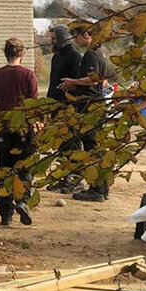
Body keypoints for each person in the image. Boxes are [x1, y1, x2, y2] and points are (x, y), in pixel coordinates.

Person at [0, 38, 38, 226]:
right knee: (24, 168)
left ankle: (5, 214)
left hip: (4, 130)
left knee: (4, 171)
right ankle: (22, 201)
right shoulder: (28, 75)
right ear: (22, 53)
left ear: (5, 53)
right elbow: (33, 104)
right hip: (24, 130)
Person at [59, 25, 113, 202]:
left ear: (86, 35)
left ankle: (96, 189)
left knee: (92, 147)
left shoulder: (91, 54)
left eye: (76, 37)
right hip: (96, 104)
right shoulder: (101, 51)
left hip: (90, 107)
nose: (75, 41)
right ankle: (102, 188)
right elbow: (103, 80)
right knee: (97, 147)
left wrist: (72, 82)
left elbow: (93, 78)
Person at [45, 24, 84, 194]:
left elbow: (77, 85)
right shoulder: (56, 57)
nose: (51, 41)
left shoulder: (75, 56)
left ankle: (75, 180)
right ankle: (64, 178)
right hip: (56, 106)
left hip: (69, 108)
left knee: (72, 145)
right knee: (61, 145)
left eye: (53, 38)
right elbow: (53, 83)